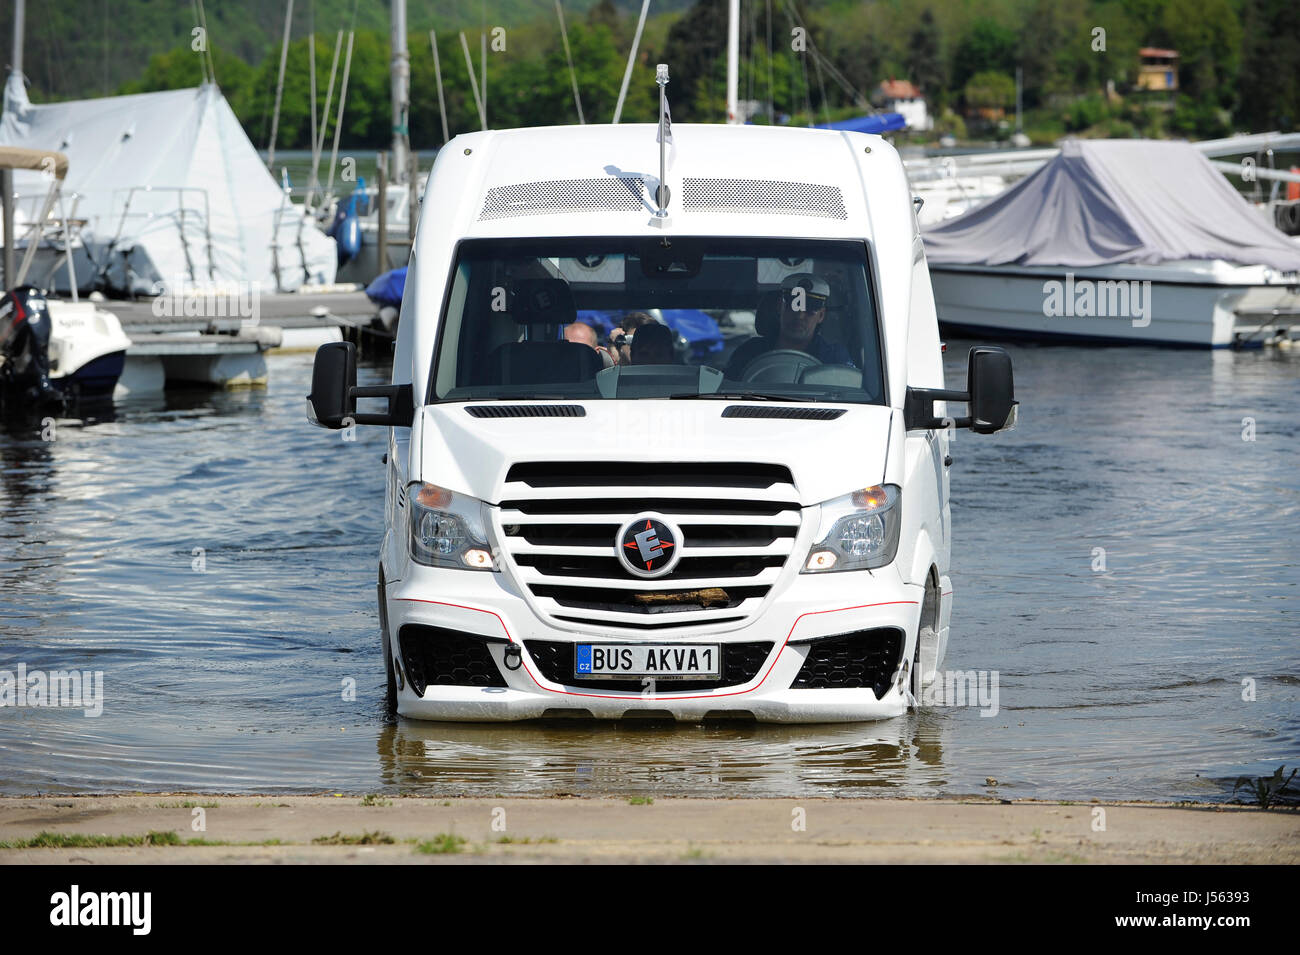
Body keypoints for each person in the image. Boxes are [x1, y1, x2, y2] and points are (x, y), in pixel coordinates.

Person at [725, 273, 855, 378]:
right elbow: (726, 390)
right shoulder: (749, 352)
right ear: (780, 307)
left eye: (810, 310)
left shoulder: (835, 358)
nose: (799, 316)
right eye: (793, 307)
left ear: (821, 315)